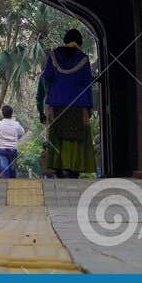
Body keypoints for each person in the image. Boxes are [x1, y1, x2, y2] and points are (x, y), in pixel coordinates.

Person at [37, 28, 97, 177]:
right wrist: (89, 108)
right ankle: (73, 168)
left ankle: (58, 167)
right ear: (80, 42)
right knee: (76, 136)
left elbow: (47, 78)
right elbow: (87, 84)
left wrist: (51, 95)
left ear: (65, 40)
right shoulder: (83, 58)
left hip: (57, 103)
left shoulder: (54, 56)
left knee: (58, 135)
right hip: (78, 103)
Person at [0, 104, 26, 179]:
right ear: (11, 113)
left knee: (4, 168)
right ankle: (13, 185)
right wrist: (16, 139)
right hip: (13, 149)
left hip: (1, 149)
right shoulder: (16, 124)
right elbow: (22, 132)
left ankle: (5, 185)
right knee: (12, 169)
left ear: (2, 113)